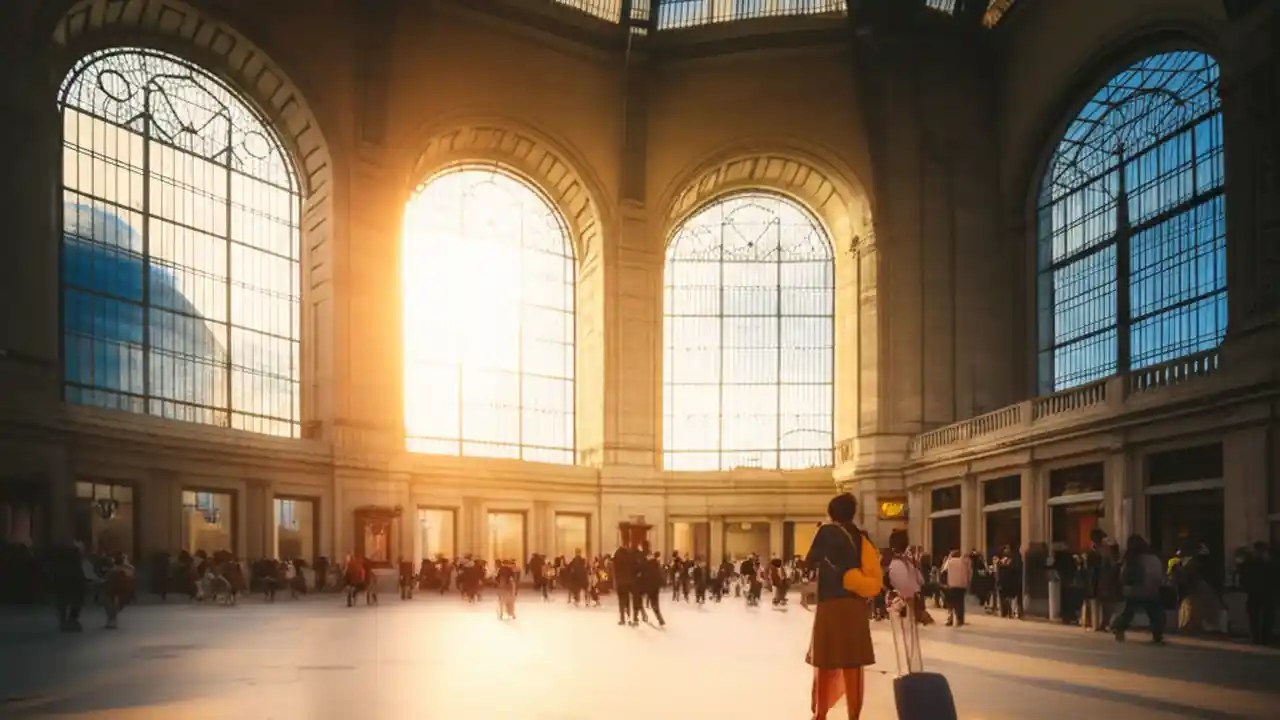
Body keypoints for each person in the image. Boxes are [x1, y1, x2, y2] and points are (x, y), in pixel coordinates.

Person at [805, 493, 882, 720]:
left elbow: (810, 560)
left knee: (825, 662)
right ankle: (854, 715)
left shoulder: (826, 531)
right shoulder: (861, 537)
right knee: (853, 664)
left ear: (831, 512)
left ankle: (820, 714)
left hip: (830, 604)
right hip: (855, 605)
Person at [1112, 534, 1166, 645]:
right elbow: (1158, 576)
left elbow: (1123, 575)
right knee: (1155, 613)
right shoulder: (1153, 558)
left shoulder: (1130, 558)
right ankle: (1157, 634)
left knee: (1128, 613)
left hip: (1133, 591)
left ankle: (1119, 628)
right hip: (1150, 591)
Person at [1239, 542, 1277, 645]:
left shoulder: (1249, 561)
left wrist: (1246, 587)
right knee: (1267, 617)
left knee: (1254, 618)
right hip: (1268, 594)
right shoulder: (1270, 562)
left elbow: (1243, 575)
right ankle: (1265, 639)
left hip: (1254, 593)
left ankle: (1256, 639)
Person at [941, 549, 971, 627]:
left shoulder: (949, 562)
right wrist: (968, 583)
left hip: (951, 585)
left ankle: (950, 619)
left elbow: (943, 572)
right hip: (962, 585)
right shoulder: (964, 562)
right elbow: (968, 573)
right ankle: (960, 620)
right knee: (960, 603)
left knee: (950, 603)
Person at [614, 543, 639, 626]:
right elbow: (636, 567)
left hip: (621, 581)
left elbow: (615, 569)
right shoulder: (631, 553)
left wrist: (616, 581)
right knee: (630, 600)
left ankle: (623, 619)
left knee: (622, 601)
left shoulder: (617, 553)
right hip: (630, 581)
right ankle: (631, 618)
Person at [641, 552, 666, 627]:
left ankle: (644, 615)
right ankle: (660, 619)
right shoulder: (656, 564)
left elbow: (643, 576)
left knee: (641, 601)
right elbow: (660, 574)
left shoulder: (645, 565)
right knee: (655, 604)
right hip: (655, 587)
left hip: (648, 587)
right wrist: (663, 583)